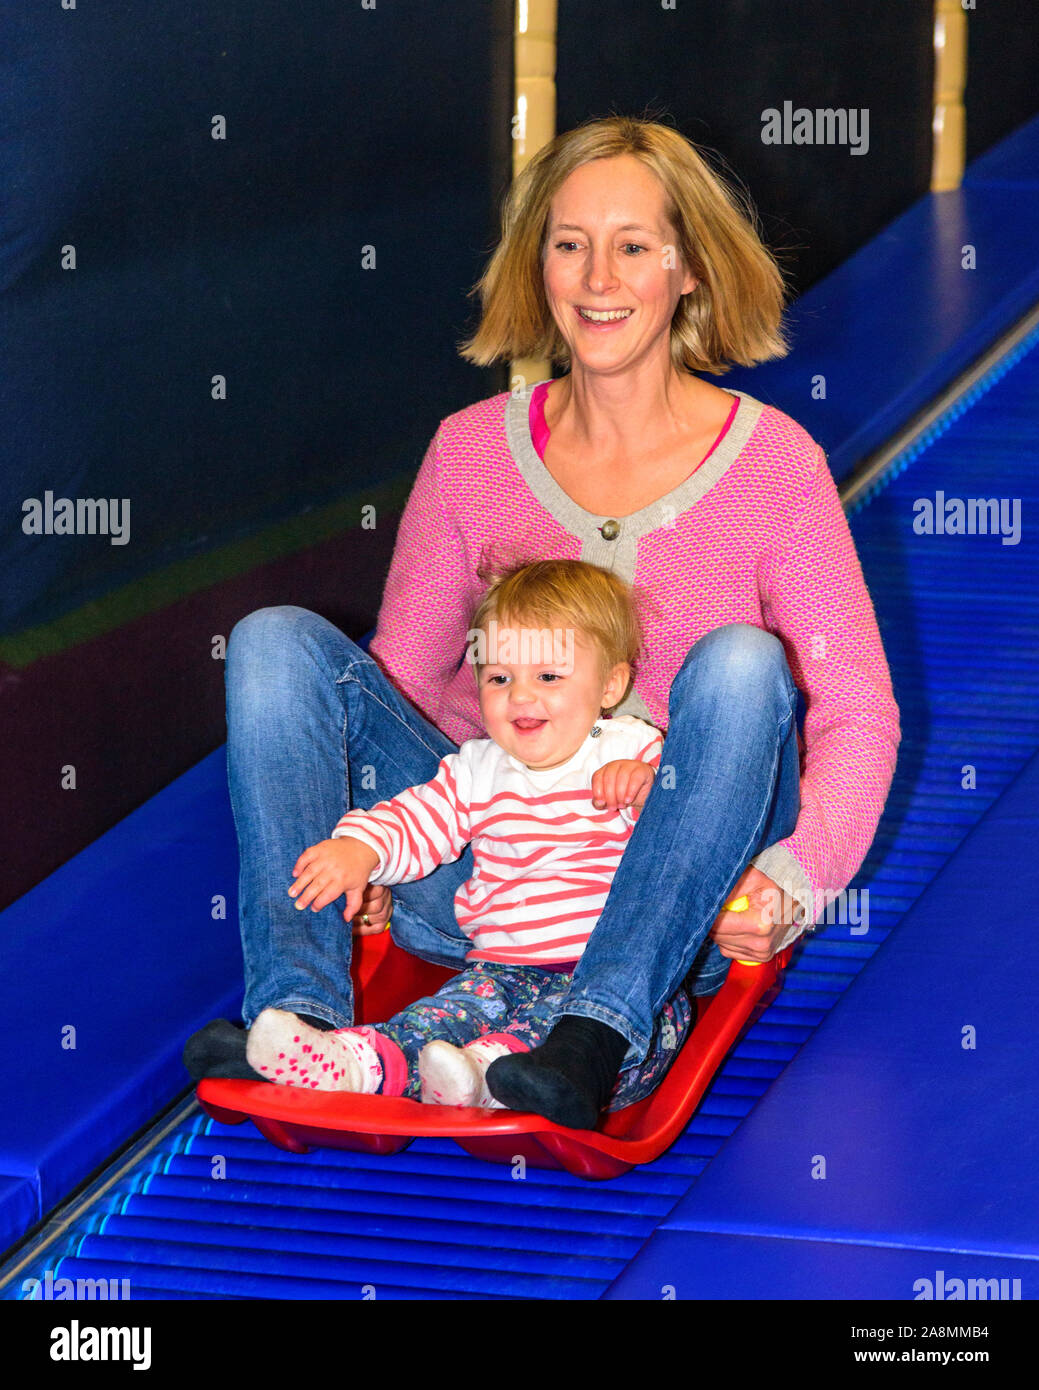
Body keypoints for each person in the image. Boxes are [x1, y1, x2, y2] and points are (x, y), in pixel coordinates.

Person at [185, 114, 900, 1132]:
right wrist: (376, 846)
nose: (597, 276)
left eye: (633, 246)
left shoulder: (773, 465)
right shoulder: (470, 451)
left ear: (687, 269)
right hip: (500, 880)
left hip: (688, 888)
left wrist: (791, 879)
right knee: (270, 646)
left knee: (743, 666)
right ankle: (294, 1012)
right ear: (539, 263)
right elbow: (399, 685)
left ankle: (596, 1033)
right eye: (569, 244)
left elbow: (859, 716)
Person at [243, 559, 692, 1120]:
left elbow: (689, 833)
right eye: (499, 677)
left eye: (548, 677)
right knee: (435, 1020)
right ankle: (354, 1063)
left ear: (611, 685)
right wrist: (361, 847)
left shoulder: (629, 747)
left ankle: (484, 1075)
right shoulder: (477, 768)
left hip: (609, 983)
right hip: (497, 972)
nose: (520, 697)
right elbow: (416, 817)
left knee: (582, 1033)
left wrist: (648, 789)